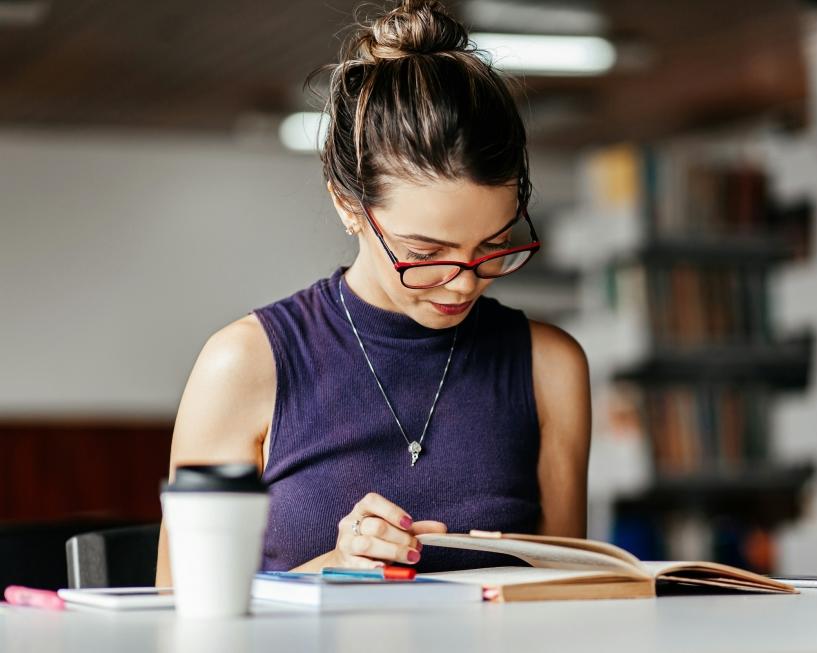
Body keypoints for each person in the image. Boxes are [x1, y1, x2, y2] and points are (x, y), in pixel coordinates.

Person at [155, 0, 591, 584]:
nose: (464, 282)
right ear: (348, 206)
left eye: (493, 245)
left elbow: (578, 597)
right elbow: (180, 609)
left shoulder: (549, 368)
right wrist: (334, 569)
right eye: (424, 254)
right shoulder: (243, 365)